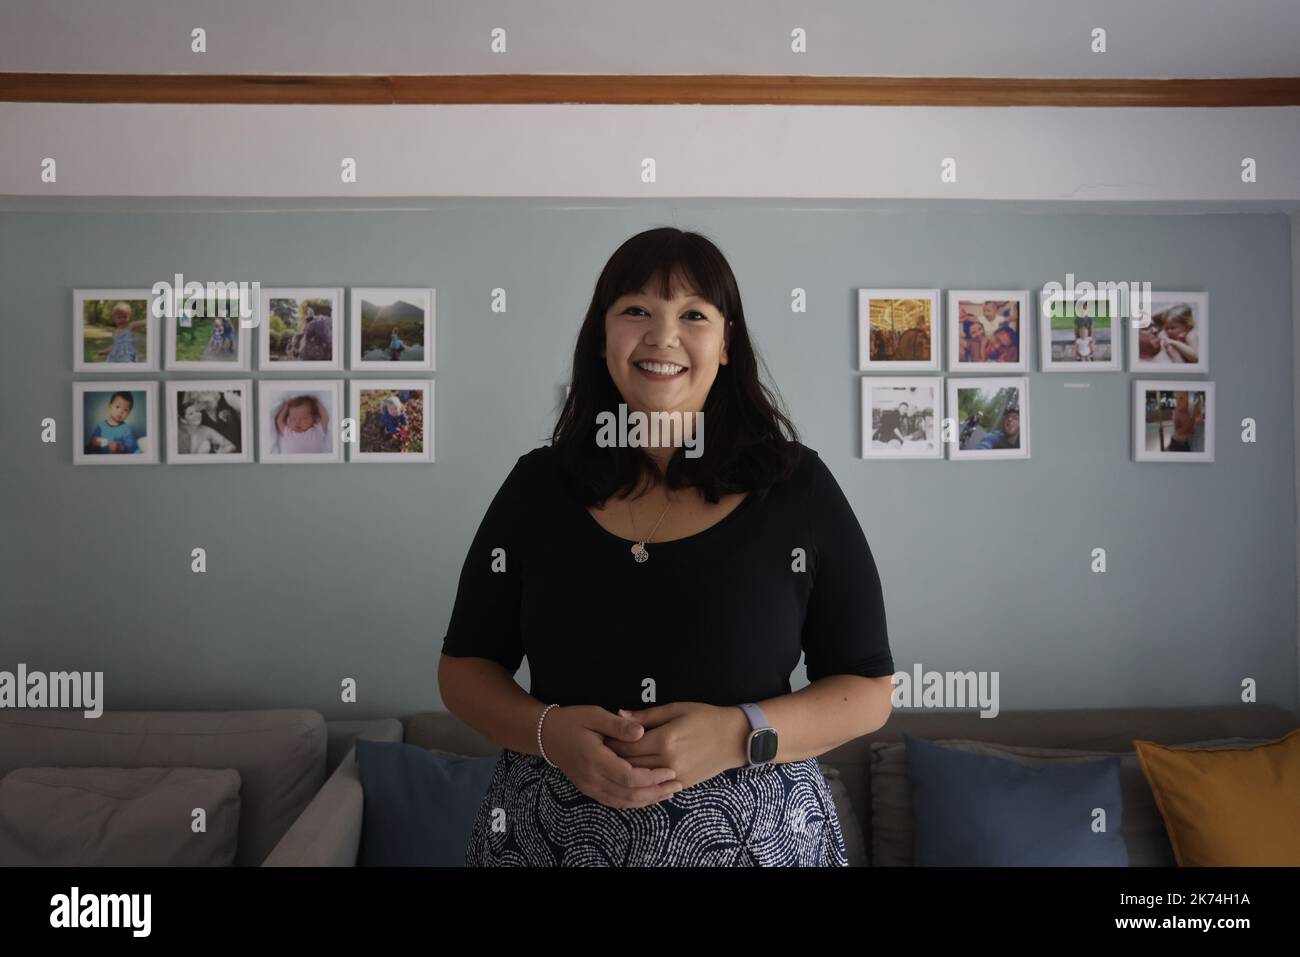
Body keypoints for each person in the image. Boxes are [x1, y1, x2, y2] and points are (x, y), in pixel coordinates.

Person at [439, 228, 895, 867]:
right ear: (602, 338)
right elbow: (463, 670)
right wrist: (550, 734)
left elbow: (869, 689)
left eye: (693, 315)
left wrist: (742, 735)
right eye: (636, 311)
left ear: (726, 344)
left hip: (759, 844)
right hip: (549, 839)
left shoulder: (797, 487)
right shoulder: (537, 487)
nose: (663, 337)